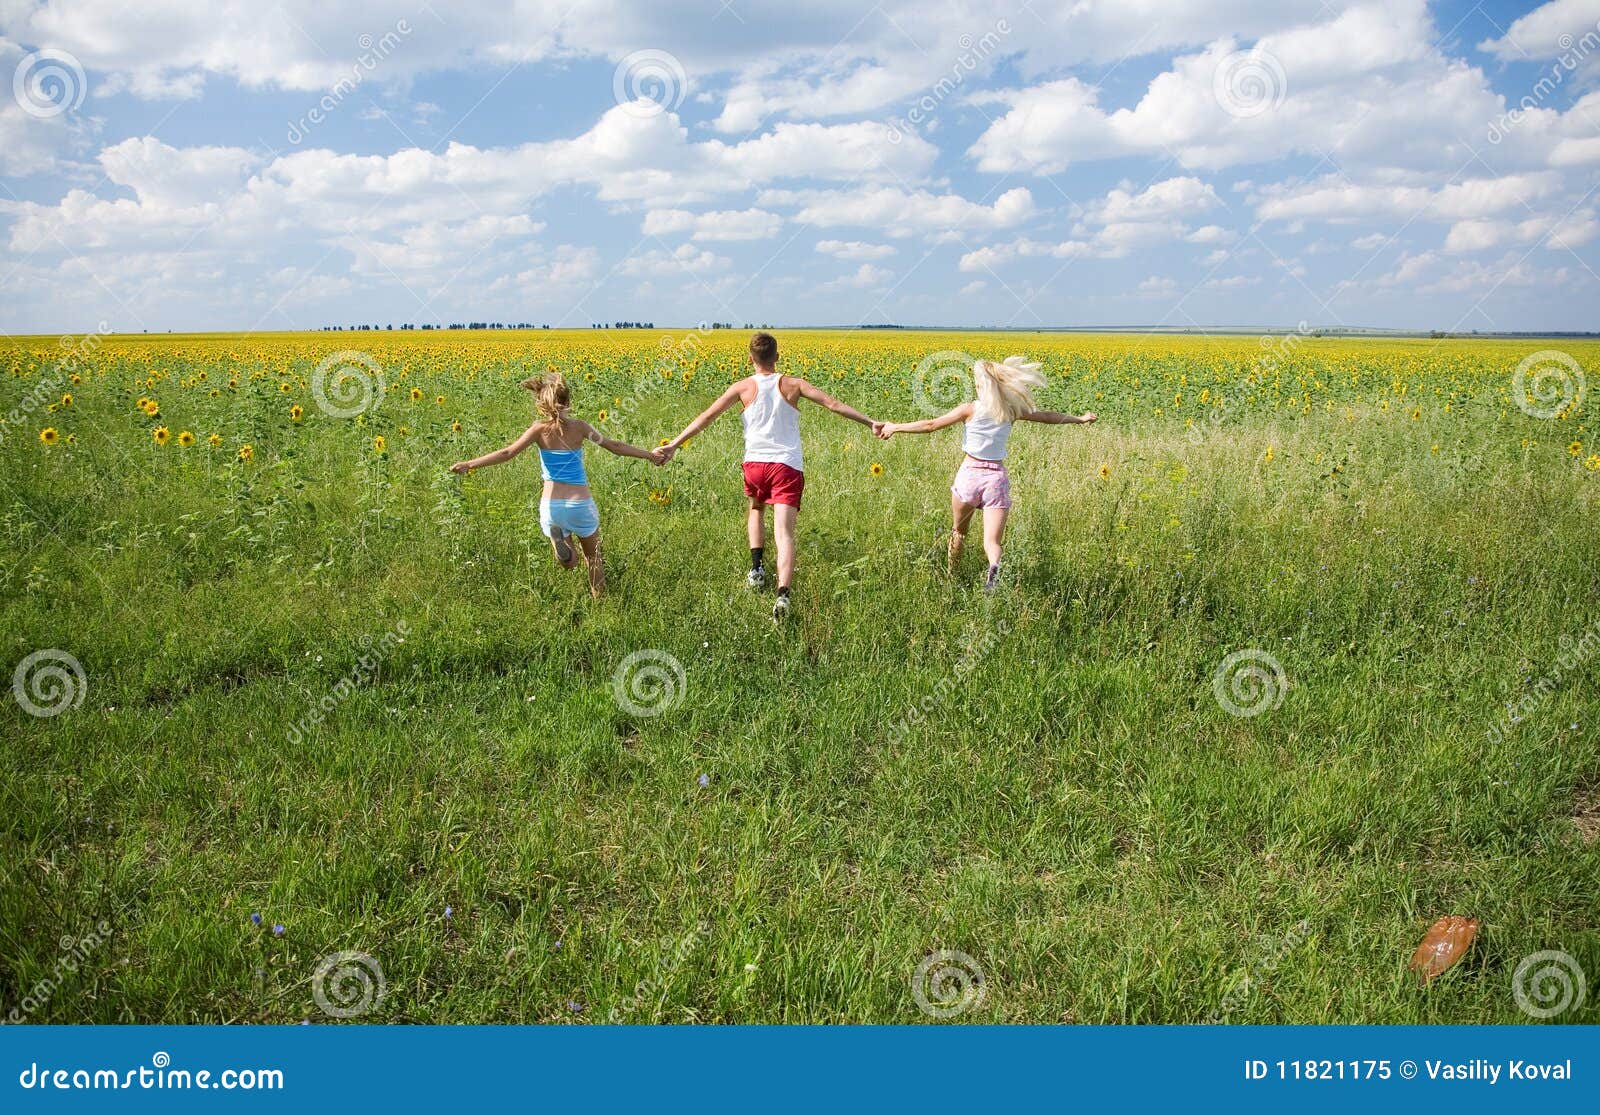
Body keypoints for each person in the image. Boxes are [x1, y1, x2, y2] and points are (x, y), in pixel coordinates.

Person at [659, 331, 881, 619]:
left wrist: (674, 444)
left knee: (755, 510)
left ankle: (756, 569)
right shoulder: (793, 384)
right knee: (784, 532)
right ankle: (783, 595)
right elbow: (833, 404)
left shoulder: (742, 388)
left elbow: (707, 416)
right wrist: (871, 422)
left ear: (751, 359)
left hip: (755, 465)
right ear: (777, 356)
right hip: (786, 466)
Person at [878, 356, 1097, 591]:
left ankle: (952, 577)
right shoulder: (1011, 410)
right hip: (996, 479)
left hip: (970, 475)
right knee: (992, 542)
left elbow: (931, 425)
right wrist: (1080, 419)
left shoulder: (970, 409)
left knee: (959, 532)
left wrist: (895, 427)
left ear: (981, 385)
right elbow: (1047, 417)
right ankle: (994, 567)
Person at [450, 373, 664, 598]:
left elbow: (507, 453)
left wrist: (470, 463)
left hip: (551, 505)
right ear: (568, 402)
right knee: (593, 558)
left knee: (571, 562)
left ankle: (565, 552)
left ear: (542, 405)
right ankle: (600, 607)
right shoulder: (580, 428)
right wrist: (649, 455)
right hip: (579, 503)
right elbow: (614, 446)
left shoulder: (538, 430)